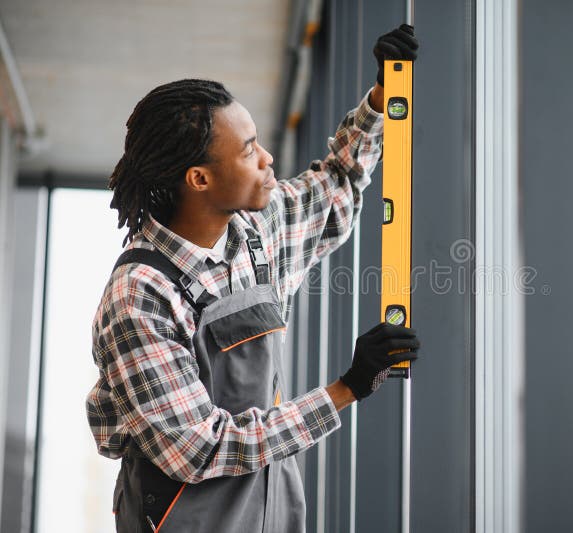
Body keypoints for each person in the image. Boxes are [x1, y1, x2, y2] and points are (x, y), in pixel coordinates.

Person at [86, 24, 419, 533]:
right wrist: (344, 390)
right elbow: (197, 449)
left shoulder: (255, 231)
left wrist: (379, 98)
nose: (267, 159)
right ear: (199, 179)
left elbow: (338, 184)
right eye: (248, 150)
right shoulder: (140, 296)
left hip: (270, 512)